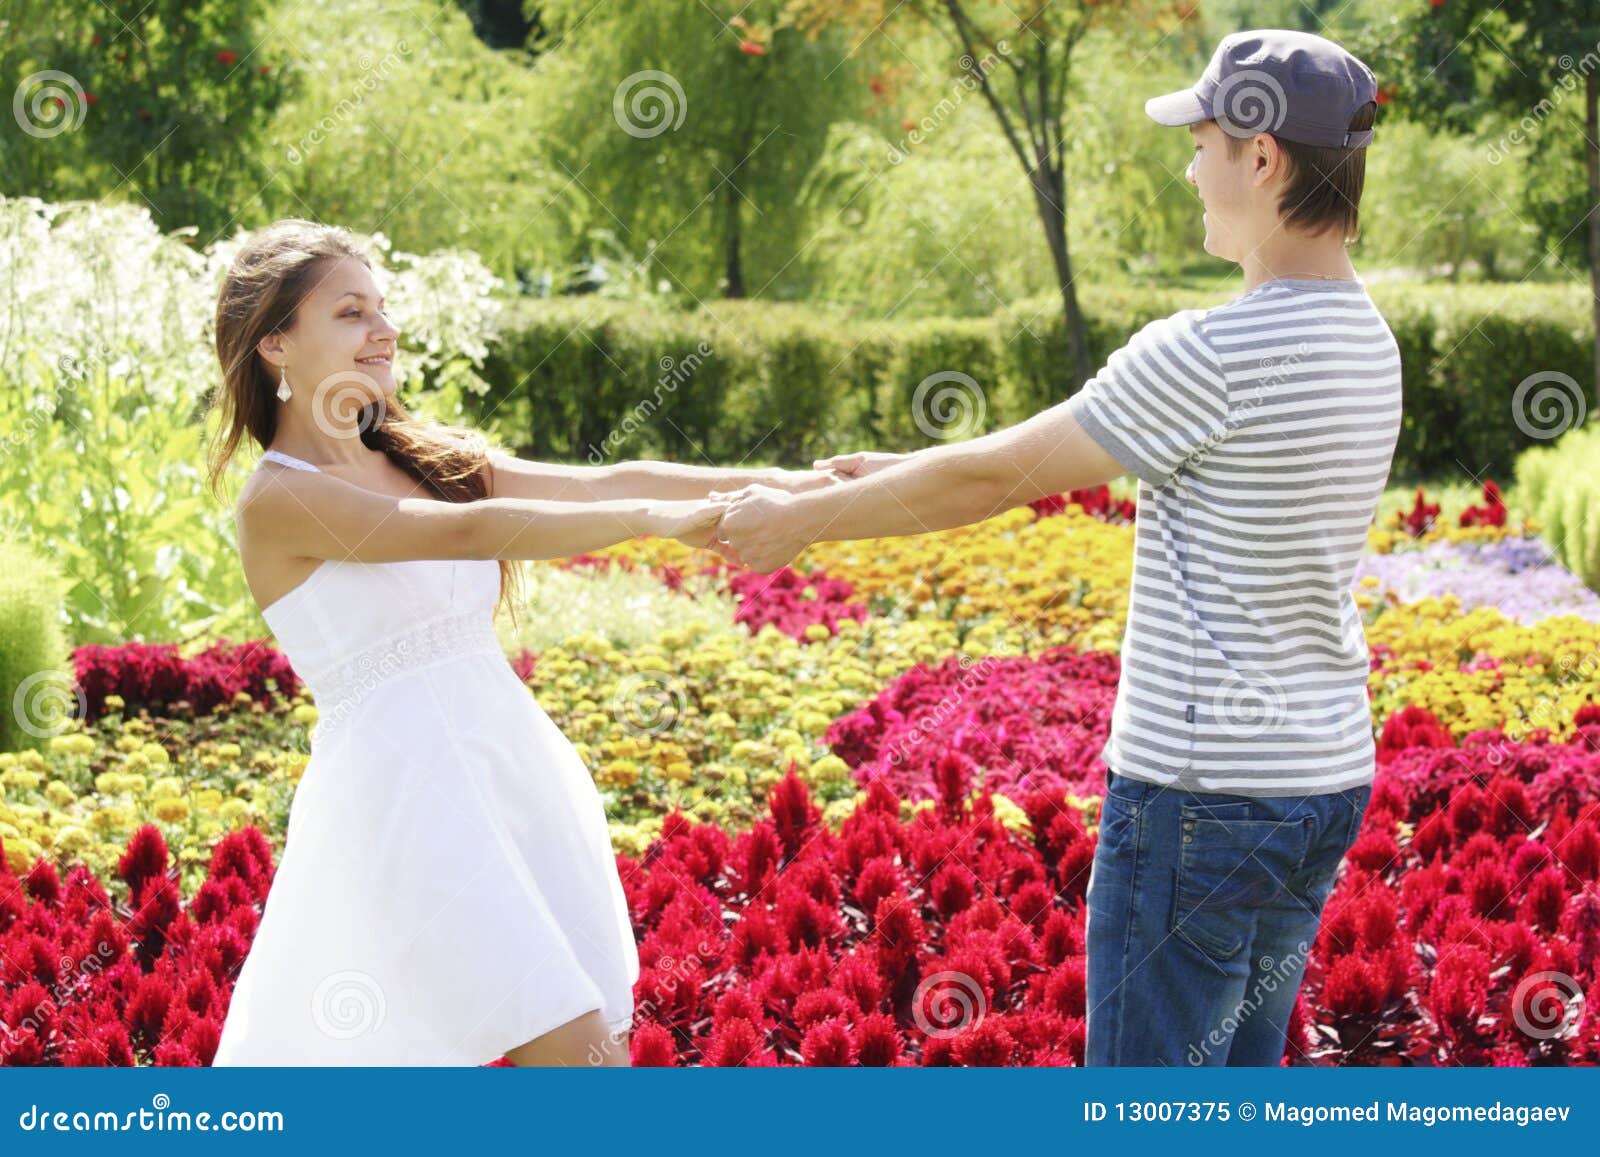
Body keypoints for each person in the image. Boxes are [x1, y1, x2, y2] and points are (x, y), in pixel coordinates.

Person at [714, 29, 1399, 1066]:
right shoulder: (1363, 337)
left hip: (1198, 800)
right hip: (1315, 781)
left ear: (1261, 159)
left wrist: (799, 519)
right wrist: (901, 465)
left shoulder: (1210, 352)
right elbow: (1019, 453)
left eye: (1202, 139)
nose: (1187, 164)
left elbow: (995, 480)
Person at [206, 218, 829, 1066]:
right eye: (351, 312)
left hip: (508, 772)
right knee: (575, 1058)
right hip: (409, 805)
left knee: (591, 1056)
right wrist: (654, 525)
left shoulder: (425, 457)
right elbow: (467, 532)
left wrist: (801, 487)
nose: (383, 330)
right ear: (275, 341)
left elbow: (609, 477)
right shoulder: (278, 500)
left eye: (382, 308)